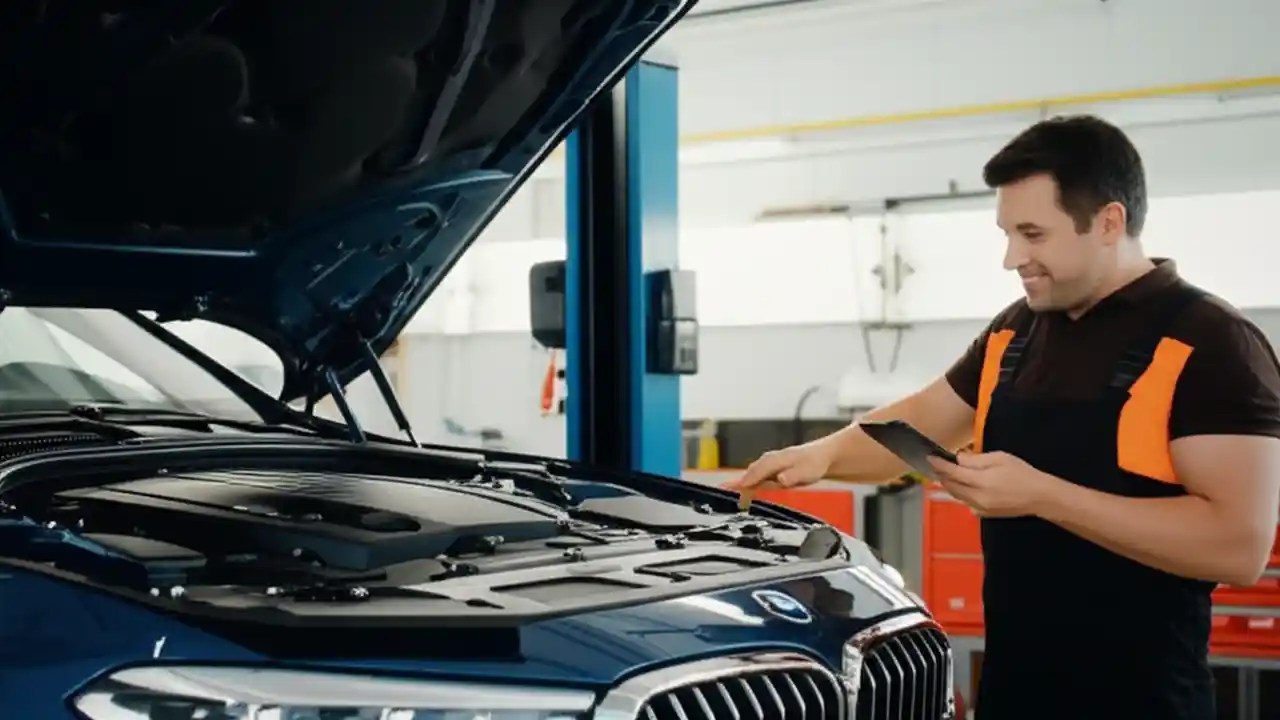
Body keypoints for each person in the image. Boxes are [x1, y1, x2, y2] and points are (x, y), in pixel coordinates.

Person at [724, 115, 1280, 719]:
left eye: (1033, 234)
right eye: (1008, 233)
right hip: (1014, 693)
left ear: (1108, 223)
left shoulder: (1212, 343)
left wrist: (1043, 495)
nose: (1013, 258)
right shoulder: (1016, 332)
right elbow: (922, 421)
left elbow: (1237, 546)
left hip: (1145, 703)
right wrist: (821, 455)